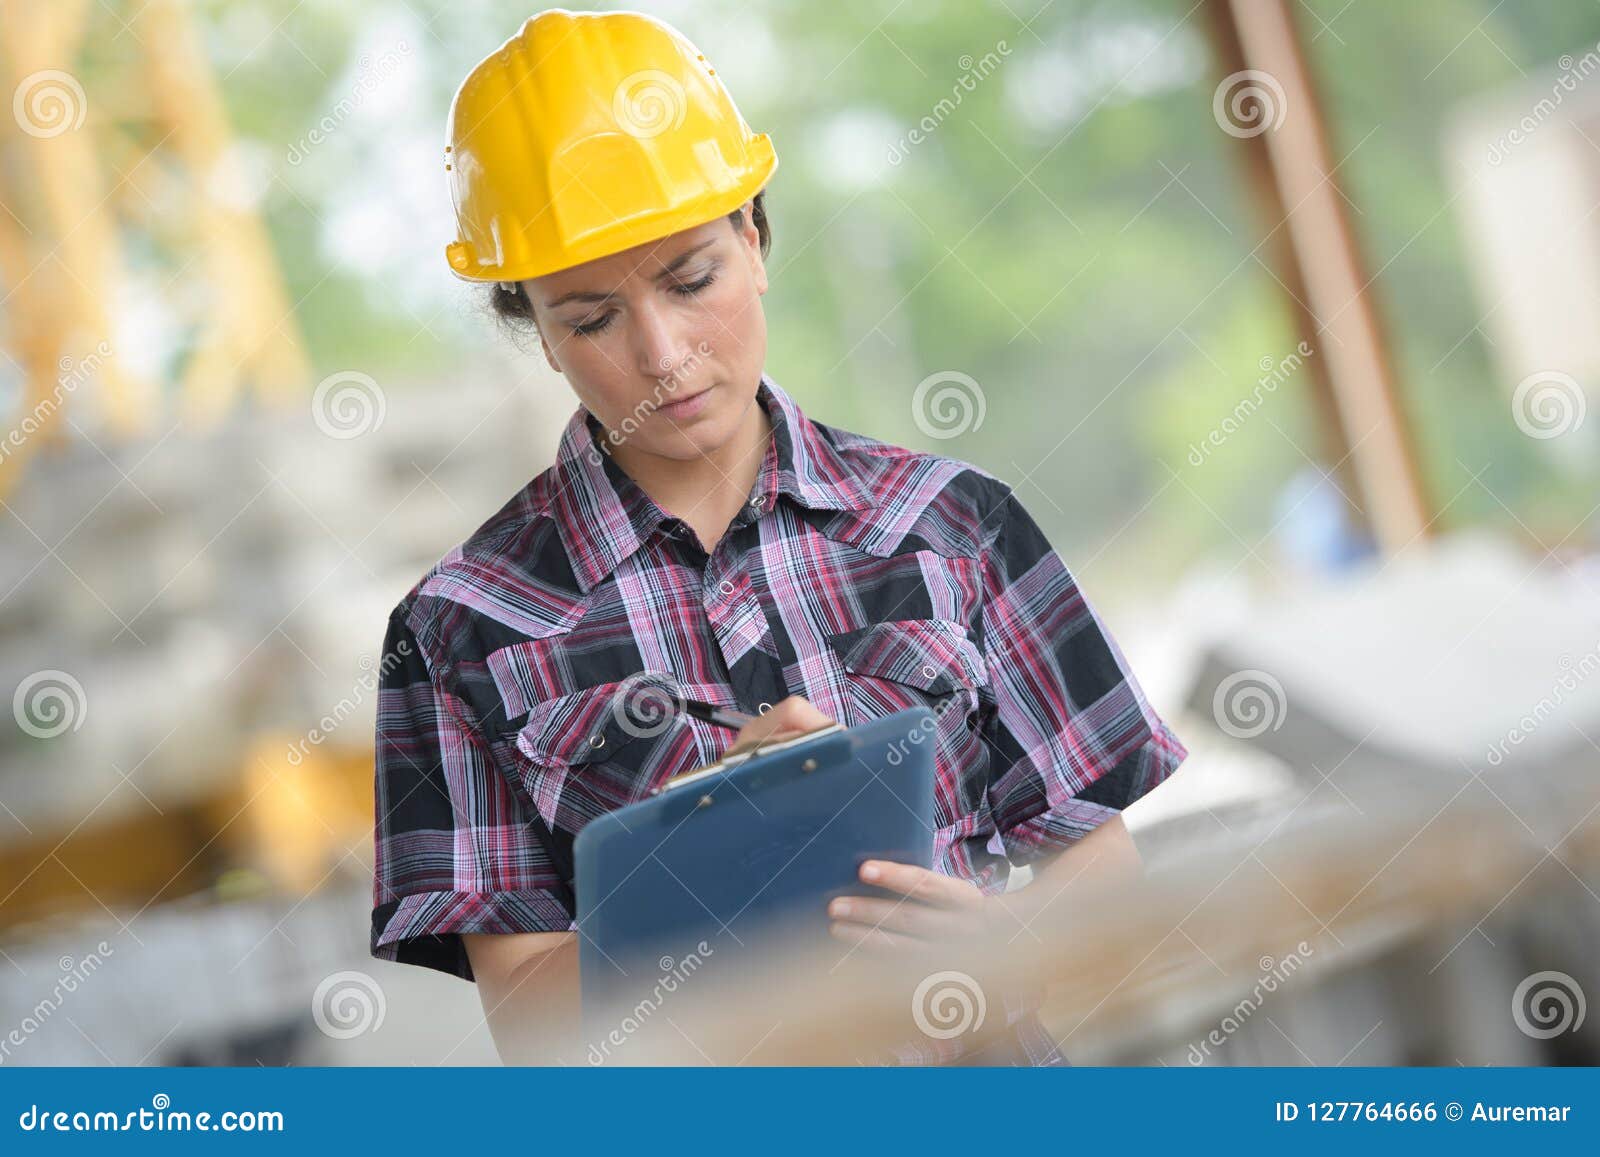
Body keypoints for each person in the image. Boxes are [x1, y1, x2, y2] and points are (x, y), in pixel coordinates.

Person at [369, 7, 1187, 1066]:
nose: (662, 353)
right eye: (589, 317)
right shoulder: (455, 633)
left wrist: (1003, 953)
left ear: (753, 241)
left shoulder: (955, 529)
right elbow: (535, 1038)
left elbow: (1113, 916)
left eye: (688, 278)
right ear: (532, 322)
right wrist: (704, 849)